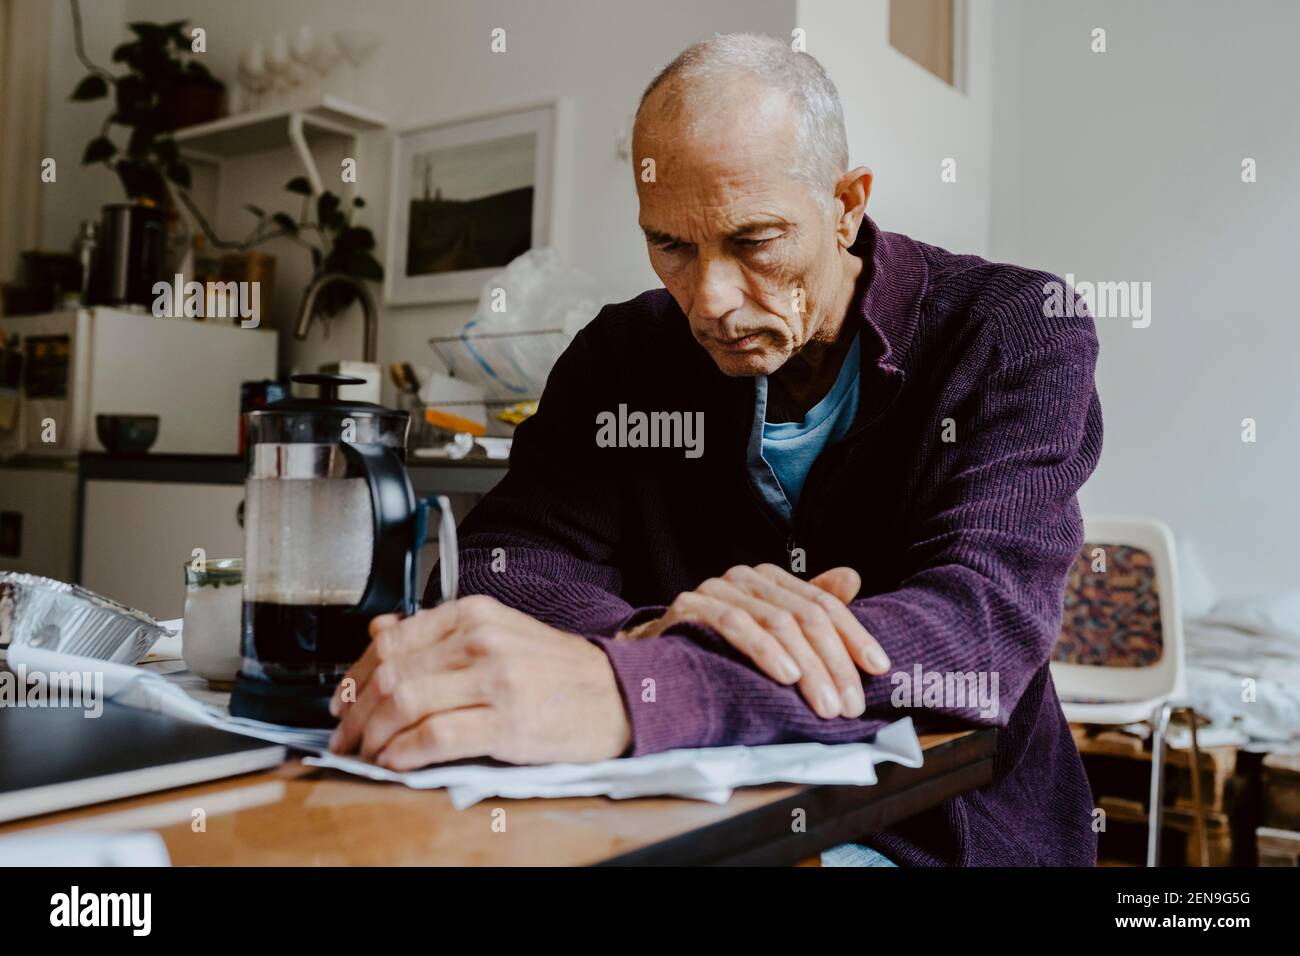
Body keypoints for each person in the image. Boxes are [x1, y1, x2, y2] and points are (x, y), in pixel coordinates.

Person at [329, 33, 1103, 867]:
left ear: (846, 204)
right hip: (680, 815)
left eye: (753, 241)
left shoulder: (1016, 327)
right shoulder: (621, 353)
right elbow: (500, 562)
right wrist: (649, 635)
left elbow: (978, 632)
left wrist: (643, 693)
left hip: (941, 833)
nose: (712, 302)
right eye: (671, 245)